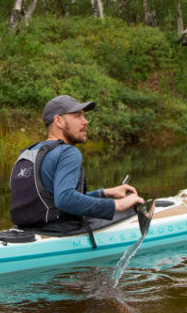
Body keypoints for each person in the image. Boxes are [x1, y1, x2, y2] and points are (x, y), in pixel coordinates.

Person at [9, 94, 143, 228]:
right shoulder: (67, 152)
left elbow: (52, 199)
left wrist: (104, 193)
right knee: (128, 213)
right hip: (57, 230)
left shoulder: (30, 152)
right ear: (59, 121)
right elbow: (65, 199)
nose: (86, 121)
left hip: (28, 230)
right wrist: (118, 205)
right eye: (77, 116)